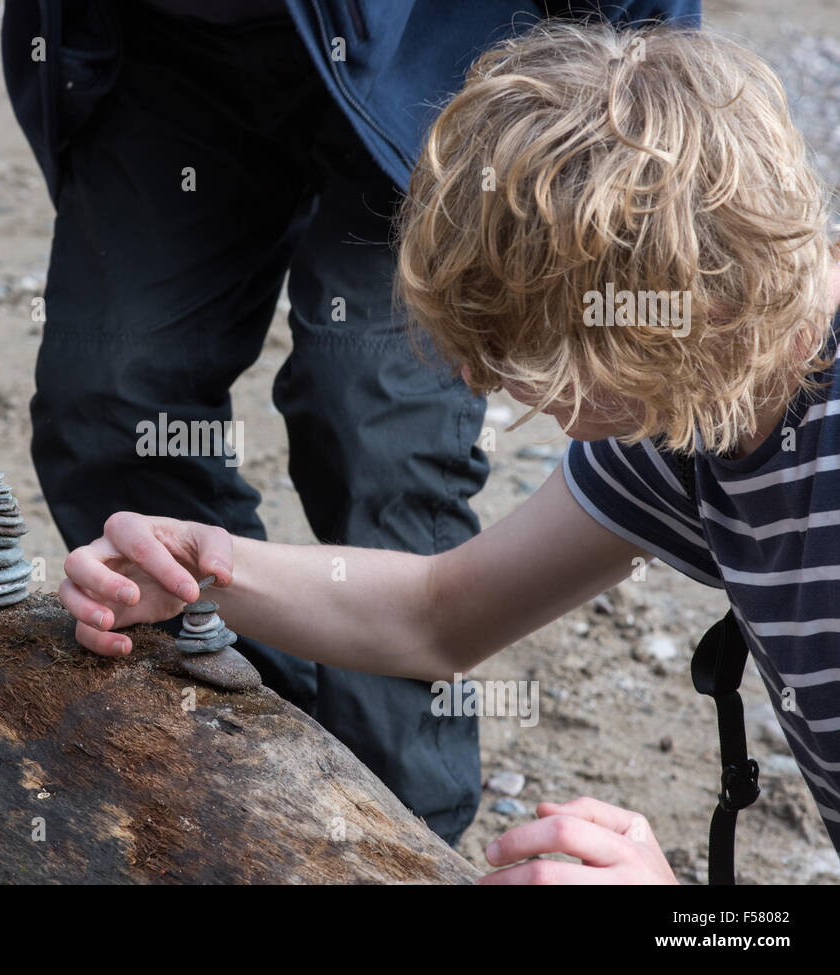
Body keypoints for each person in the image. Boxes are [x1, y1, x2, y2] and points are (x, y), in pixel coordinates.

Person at [0, 0, 696, 846]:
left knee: (376, 428)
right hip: (170, 61)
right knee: (107, 400)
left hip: (455, 63)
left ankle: (402, 826)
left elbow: (647, 40)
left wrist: (643, 176)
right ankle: (225, 767)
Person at [59, 21, 840, 882]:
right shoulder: (696, 408)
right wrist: (209, 571)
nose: (481, 376)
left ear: (675, 318)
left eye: (521, 355)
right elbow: (439, 613)